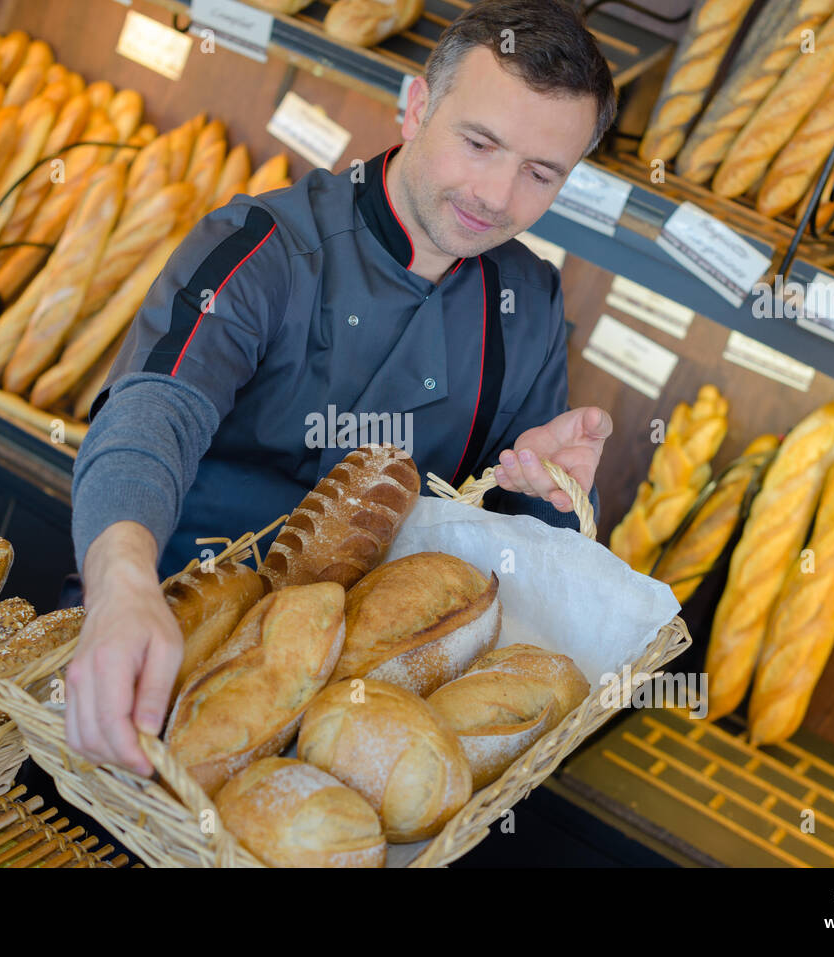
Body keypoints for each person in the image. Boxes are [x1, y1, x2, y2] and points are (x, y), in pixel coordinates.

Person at [66, 0, 618, 774]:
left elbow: (505, 562)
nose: (497, 194)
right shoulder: (264, 246)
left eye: (540, 173)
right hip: (166, 633)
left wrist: (536, 493)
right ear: (417, 106)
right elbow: (154, 414)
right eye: (479, 142)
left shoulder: (527, 306)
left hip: (355, 713)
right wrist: (121, 580)